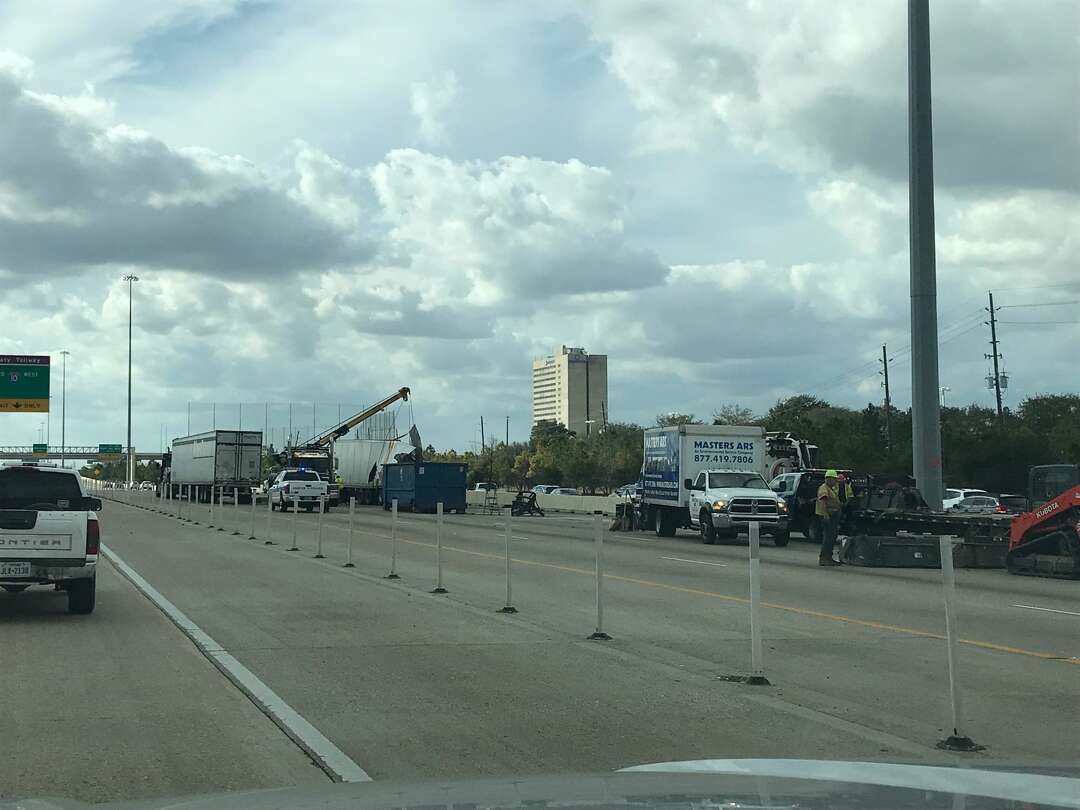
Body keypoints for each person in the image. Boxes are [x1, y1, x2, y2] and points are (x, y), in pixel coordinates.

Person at [816, 469, 843, 566]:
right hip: (828, 516)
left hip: (832, 516)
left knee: (831, 537)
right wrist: (825, 515)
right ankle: (824, 558)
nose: (835, 481)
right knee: (828, 537)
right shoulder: (824, 488)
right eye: (834, 479)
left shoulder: (830, 488)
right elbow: (823, 502)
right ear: (829, 479)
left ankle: (828, 557)